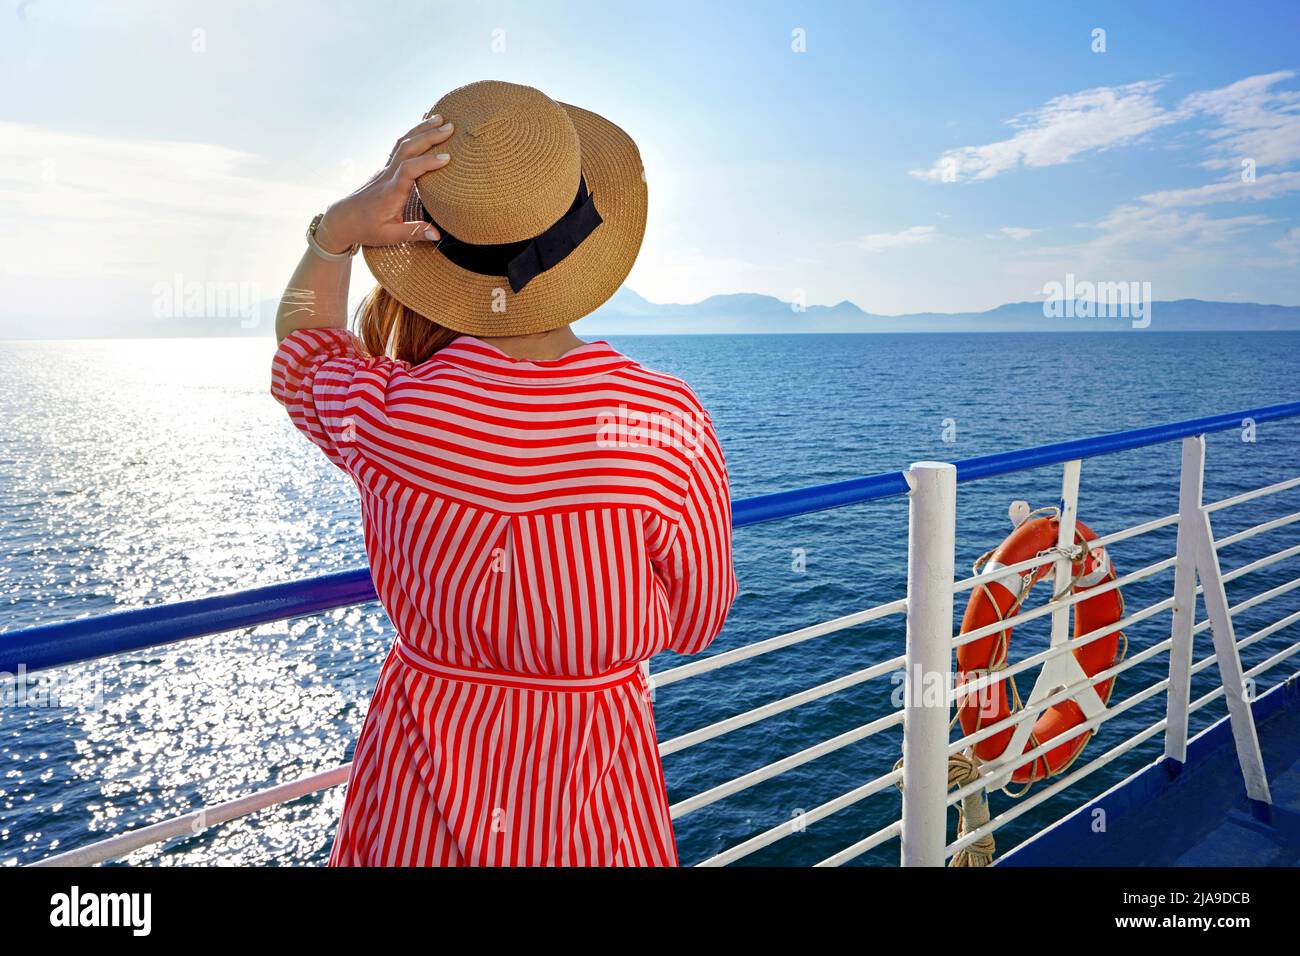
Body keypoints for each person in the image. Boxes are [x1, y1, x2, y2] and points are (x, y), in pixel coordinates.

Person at [271, 80, 736, 866]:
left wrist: (334, 234)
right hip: (594, 809)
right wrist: (596, 625)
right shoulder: (664, 419)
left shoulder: (389, 414)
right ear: (581, 243)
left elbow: (301, 352)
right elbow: (697, 620)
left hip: (412, 809)